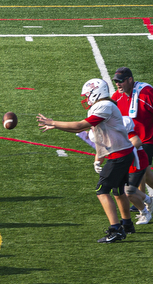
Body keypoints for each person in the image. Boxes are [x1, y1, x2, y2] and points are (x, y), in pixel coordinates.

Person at [37, 78, 140, 243]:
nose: (86, 99)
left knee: (102, 190)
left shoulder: (105, 106)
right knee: (118, 190)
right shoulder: (106, 106)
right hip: (122, 154)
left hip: (118, 156)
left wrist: (54, 122)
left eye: (87, 95)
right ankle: (127, 224)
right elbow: (84, 128)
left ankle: (116, 229)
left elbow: (79, 125)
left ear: (95, 93)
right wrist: (56, 126)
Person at [111, 66, 153, 208]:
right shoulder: (119, 95)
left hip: (151, 138)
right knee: (145, 167)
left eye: (121, 81)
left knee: (139, 164)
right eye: (116, 82)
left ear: (130, 80)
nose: (118, 84)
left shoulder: (146, 94)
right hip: (134, 138)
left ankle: (140, 199)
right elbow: (110, 108)